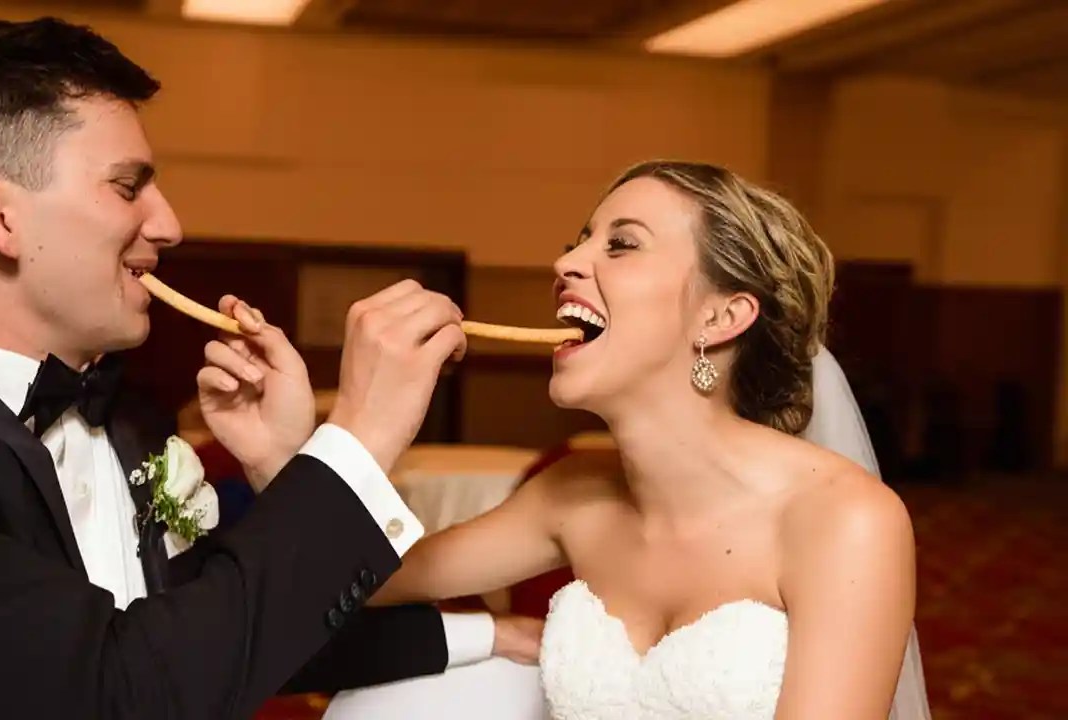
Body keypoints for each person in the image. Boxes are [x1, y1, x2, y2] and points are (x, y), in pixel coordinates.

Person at [0, 17, 535, 719]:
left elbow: (208, 636)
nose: (170, 225)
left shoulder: (131, 416)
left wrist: (477, 637)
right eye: (127, 185)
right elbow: (121, 691)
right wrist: (359, 437)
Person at [358, 160, 922, 719]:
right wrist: (318, 442)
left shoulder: (844, 519)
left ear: (722, 316)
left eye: (621, 244)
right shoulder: (569, 494)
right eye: (579, 242)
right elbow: (349, 582)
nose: (565, 263)